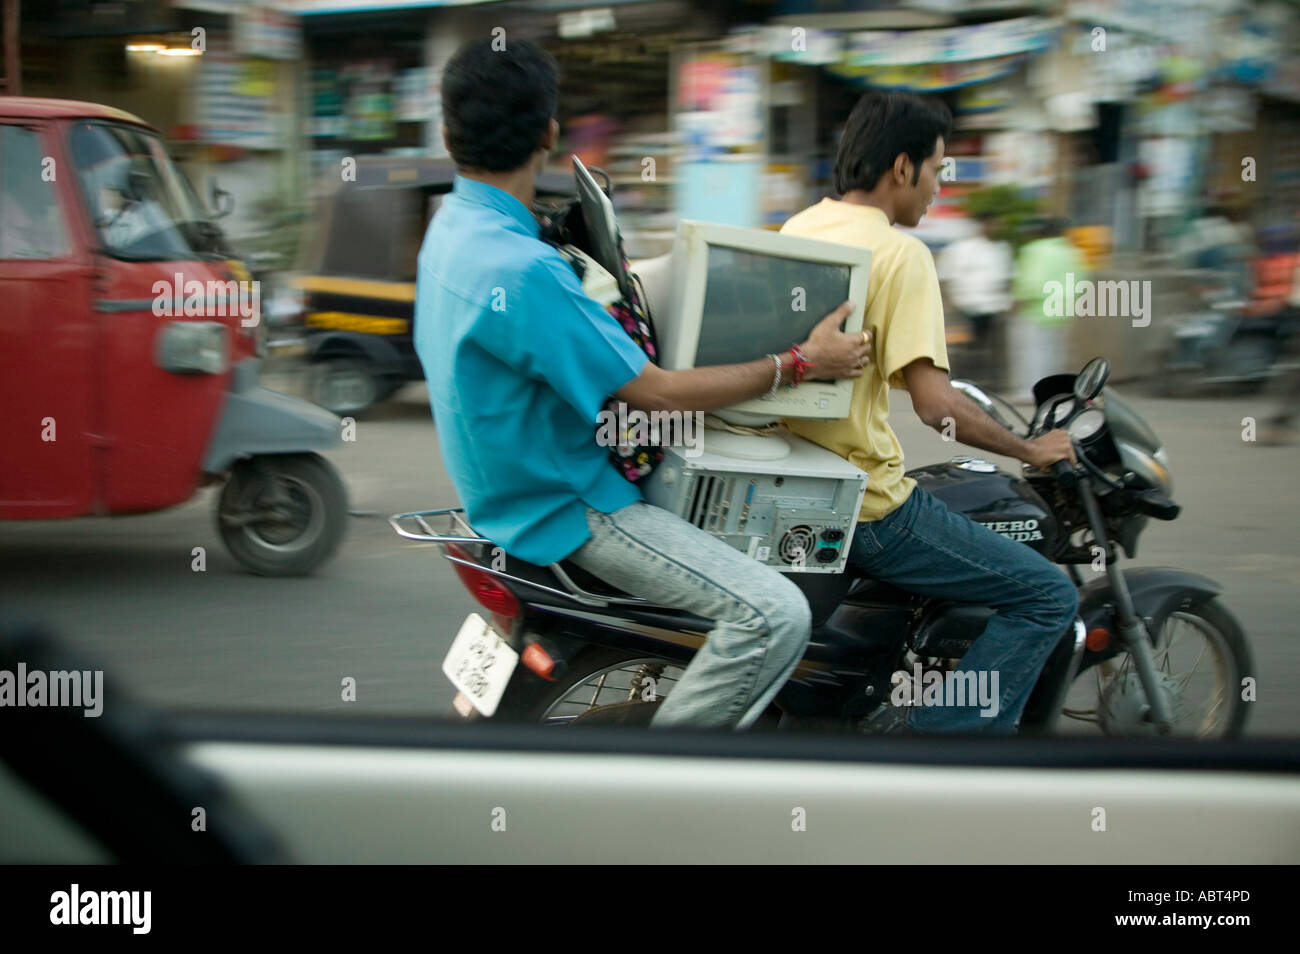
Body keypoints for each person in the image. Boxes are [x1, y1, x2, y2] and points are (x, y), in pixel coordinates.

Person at [414, 37, 871, 729]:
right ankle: (660, 784)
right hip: (572, 510)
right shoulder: (527, 271)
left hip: (500, 492)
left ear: (448, 131)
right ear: (549, 133)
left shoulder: (450, 229)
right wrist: (800, 363)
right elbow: (654, 393)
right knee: (776, 615)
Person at [779, 90, 1079, 734]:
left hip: (792, 491)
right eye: (940, 170)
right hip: (868, 507)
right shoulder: (900, 254)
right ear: (901, 168)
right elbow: (937, 404)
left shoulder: (798, 227)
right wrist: (1032, 450)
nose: (939, 188)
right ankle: (944, 749)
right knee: (1049, 594)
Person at [1010, 217, 1090, 402]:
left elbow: (1032, 283)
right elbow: (1082, 281)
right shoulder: (1072, 252)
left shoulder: (1035, 250)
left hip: (1036, 310)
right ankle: (1052, 391)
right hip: (1063, 310)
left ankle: (1029, 391)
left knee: (1032, 353)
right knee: (1055, 354)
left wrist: (1018, 300)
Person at [936, 208, 1013, 386]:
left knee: (991, 348)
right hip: (967, 306)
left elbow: (1005, 280)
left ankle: (991, 383)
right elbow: (946, 277)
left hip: (992, 307)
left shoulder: (1000, 249)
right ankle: (964, 380)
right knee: (968, 348)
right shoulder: (963, 249)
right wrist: (951, 302)